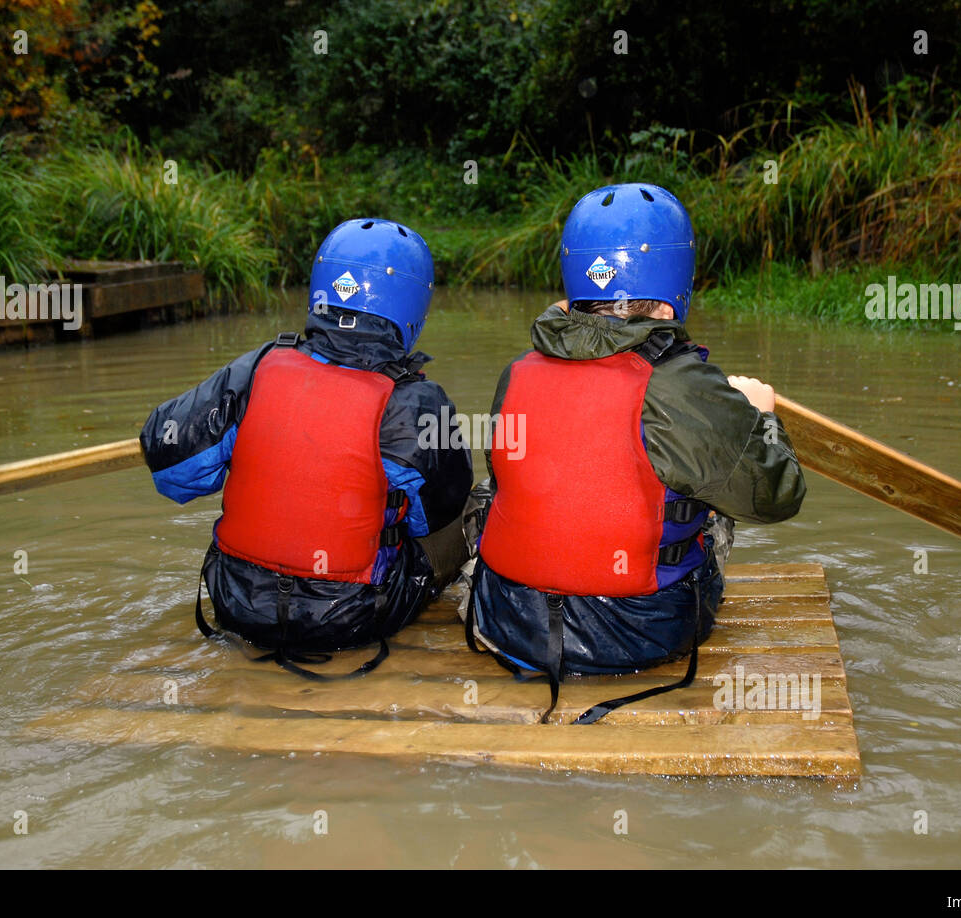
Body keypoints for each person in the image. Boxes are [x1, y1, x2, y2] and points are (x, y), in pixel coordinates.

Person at [465, 183, 806, 722]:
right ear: (676, 282)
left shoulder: (518, 372)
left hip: (508, 619)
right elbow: (778, 496)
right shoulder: (684, 383)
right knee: (717, 499)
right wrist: (759, 417)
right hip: (634, 636)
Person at [141, 218, 473, 677]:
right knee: (473, 509)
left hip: (236, 605)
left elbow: (167, 465)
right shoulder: (416, 400)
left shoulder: (259, 366)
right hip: (352, 617)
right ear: (413, 303)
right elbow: (436, 512)